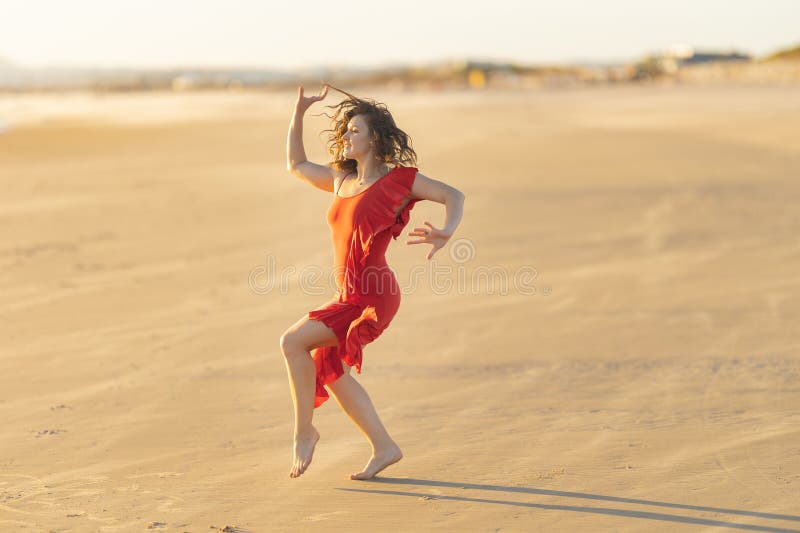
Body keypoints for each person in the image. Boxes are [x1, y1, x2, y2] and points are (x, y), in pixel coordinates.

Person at [281, 83, 465, 479]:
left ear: (374, 138)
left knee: (292, 342)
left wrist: (447, 230)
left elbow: (454, 195)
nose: (346, 135)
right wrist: (298, 114)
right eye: (346, 129)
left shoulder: (399, 182)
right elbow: (296, 164)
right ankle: (384, 447)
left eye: (355, 130)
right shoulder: (341, 179)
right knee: (331, 371)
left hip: (373, 296)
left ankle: (304, 432)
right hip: (346, 295)